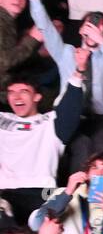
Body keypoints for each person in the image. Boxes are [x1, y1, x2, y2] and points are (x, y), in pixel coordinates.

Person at [24, 0, 103, 174]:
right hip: (71, 115)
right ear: (81, 29)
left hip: (100, 117)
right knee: (80, 150)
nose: (93, 29)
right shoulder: (66, 53)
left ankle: (98, 200)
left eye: (99, 27)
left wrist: (102, 41)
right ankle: (74, 200)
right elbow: (45, 27)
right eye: (89, 25)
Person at [1, 68, 87, 224]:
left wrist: (78, 72)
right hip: (5, 192)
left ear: (37, 96)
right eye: (11, 92)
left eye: (24, 91)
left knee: (60, 208)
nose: (17, 96)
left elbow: (71, 107)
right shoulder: (2, 119)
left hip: (42, 191)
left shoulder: (52, 121)